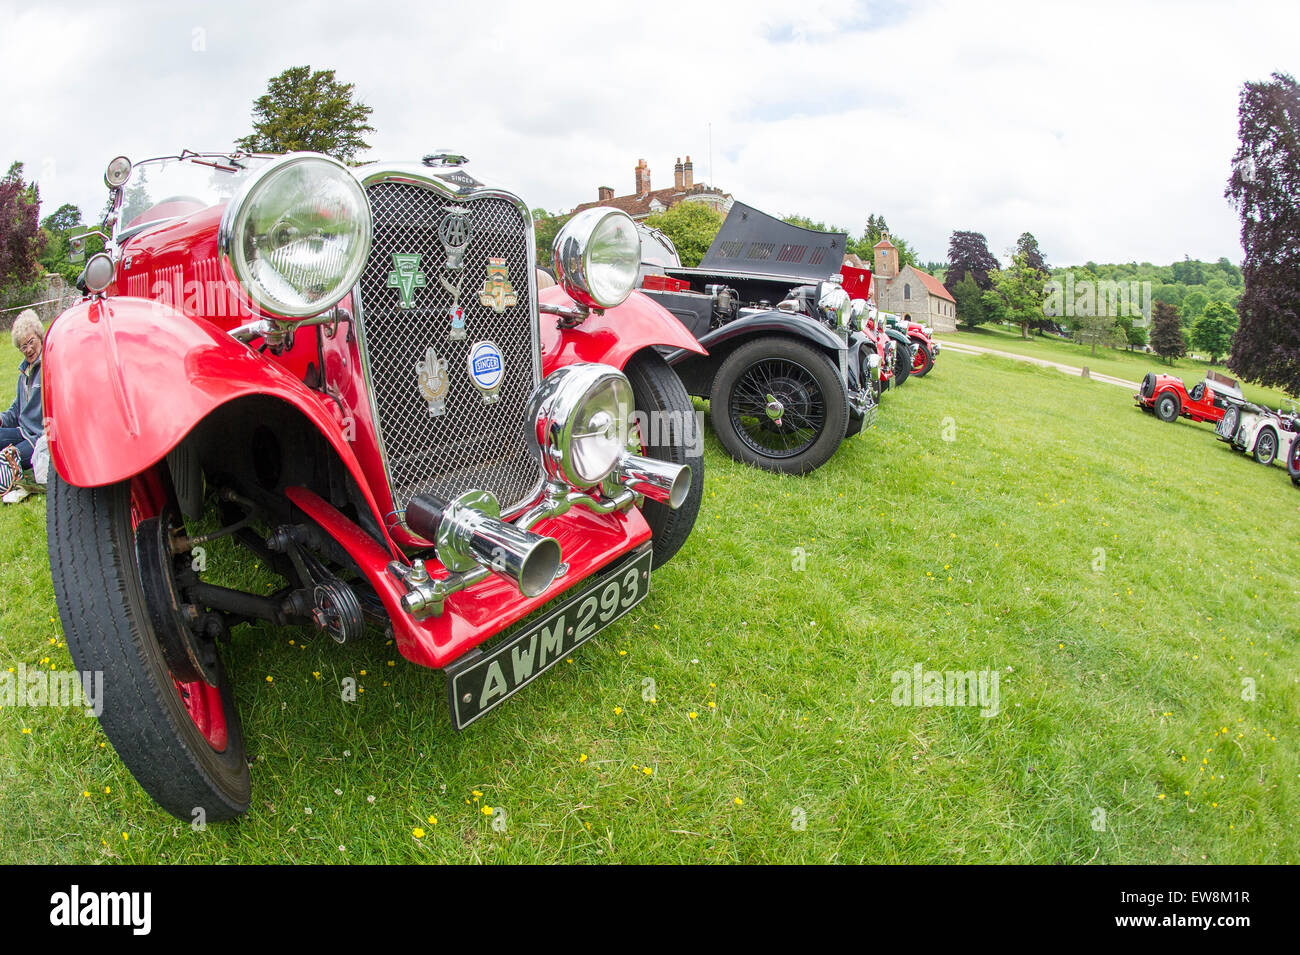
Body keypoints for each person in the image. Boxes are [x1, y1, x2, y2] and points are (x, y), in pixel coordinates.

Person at [1, 309, 45, 504]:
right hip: (22, 431)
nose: (27, 349)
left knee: (9, 457)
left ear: (39, 337)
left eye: (30, 342)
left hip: (38, 438)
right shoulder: (23, 373)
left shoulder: (49, 368)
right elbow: (15, 411)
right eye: (22, 346)